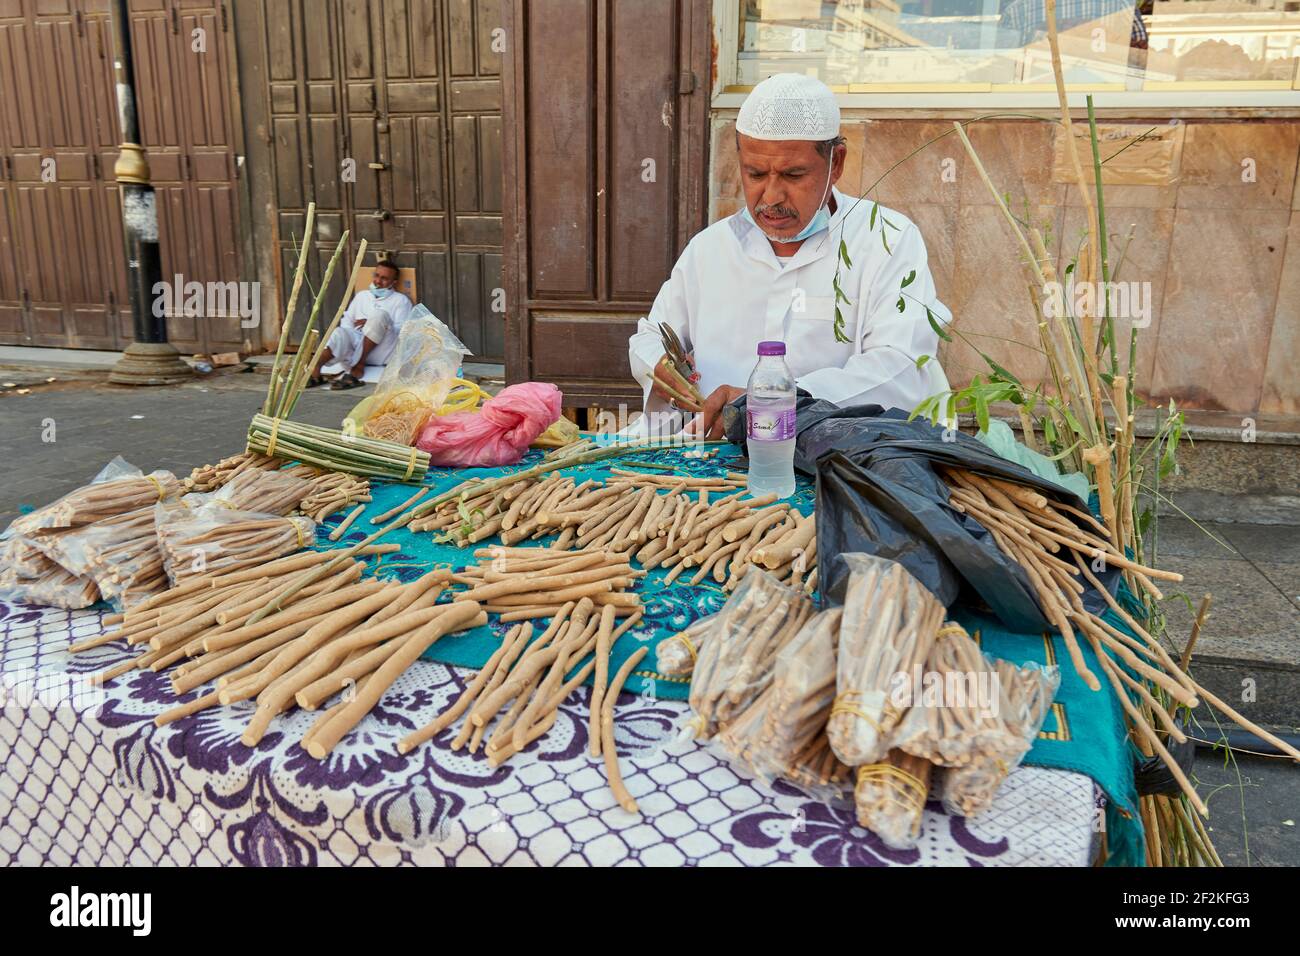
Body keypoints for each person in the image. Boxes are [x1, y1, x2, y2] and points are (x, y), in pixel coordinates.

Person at [627, 73, 952, 439]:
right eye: (755, 174)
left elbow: (900, 368)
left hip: (830, 457)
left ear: (836, 164)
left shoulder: (886, 240)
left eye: (793, 174)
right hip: (706, 453)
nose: (771, 197)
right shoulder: (711, 248)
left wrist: (770, 405)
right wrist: (658, 366)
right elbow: (652, 334)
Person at [311, 259, 414, 389]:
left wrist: (371, 323)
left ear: (393, 282)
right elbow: (347, 323)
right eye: (376, 276)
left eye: (384, 278)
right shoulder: (362, 296)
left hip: (382, 351)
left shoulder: (401, 301)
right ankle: (316, 368)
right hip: (355, 347)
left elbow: (402, 332)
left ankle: (359, 365)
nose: (378, 281)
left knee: (379, 315)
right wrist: (356, 336)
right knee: (339, 332)